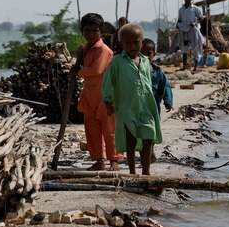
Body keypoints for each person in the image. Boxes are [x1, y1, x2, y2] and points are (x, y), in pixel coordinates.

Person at [102, 24, 162, 175]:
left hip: (146, 107)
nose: (132, 46)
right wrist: (108, 101)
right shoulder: (117, 62)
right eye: (128, 43)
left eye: (136, 42)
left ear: (142, 41)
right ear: (122, 43)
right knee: (131, 140)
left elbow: (148, 82)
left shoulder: (146, 61)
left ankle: (146, 172)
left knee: (149, 138)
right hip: (127, 108)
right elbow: (107, 81)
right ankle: (132, 172)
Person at [70, 13, 119, 171]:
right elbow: (83, 67)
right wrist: (78, 62)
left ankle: (114, 160)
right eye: (87, 30)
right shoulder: (85, 49)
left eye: (94, 31)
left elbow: (96, 70)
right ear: (82, 31)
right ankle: (99, 159)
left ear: (101, 31)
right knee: (92, 130)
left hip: (106, 96)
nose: (90, 34)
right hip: (90, 95)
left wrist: (78, 71)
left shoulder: (103, 50)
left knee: (109, 130)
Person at [140, 39, 173, 114]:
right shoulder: (134, 70)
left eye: (148, 54)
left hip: (154, 104)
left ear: (154, 54)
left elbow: (165, 86)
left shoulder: (157, 71)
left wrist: (168, 101)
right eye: (142, 54)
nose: (145, 57)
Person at [177, 0, 205, 72]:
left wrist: (195, 22)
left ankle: (195, 67)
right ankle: (185, 66)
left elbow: (201, 17)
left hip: (193, 30)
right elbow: (179, 19)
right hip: (183, 30)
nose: (187, 0)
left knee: (196, 47)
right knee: (184, 48)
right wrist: (177, 25)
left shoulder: (195, 8)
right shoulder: (181, 9)